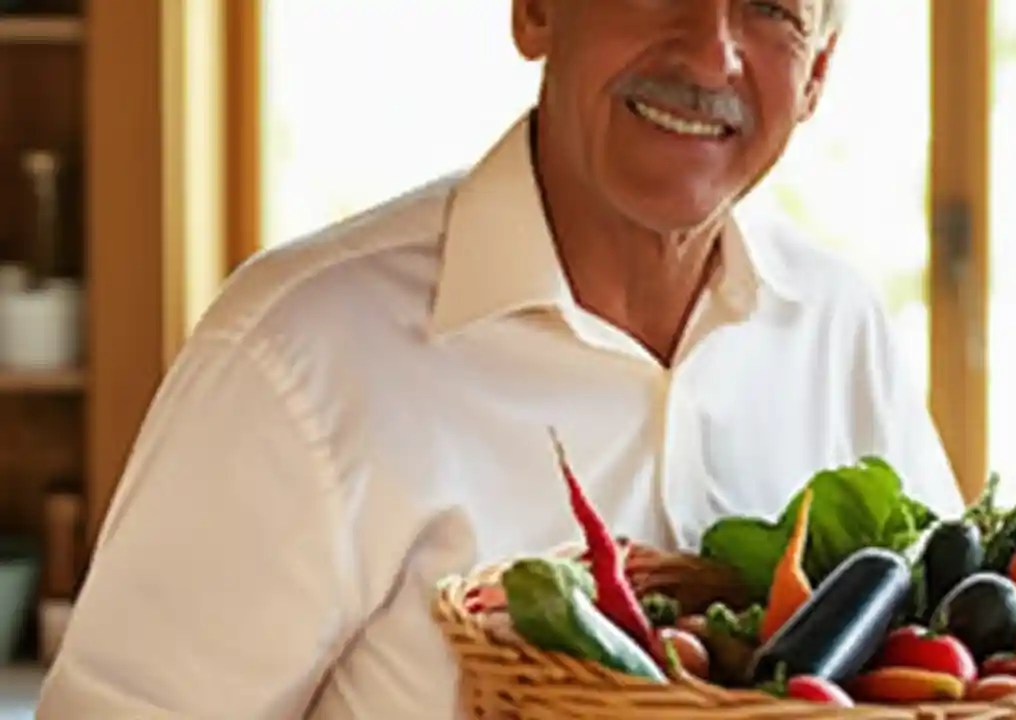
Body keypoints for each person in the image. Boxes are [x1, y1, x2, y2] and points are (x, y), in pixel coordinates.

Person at [37, 1, 962, 717]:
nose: (708, 51)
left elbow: (964, 655)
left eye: (771, 5)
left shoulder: (839, 327)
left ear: (817, 77)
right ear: (535, 9)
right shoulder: (299, 353)